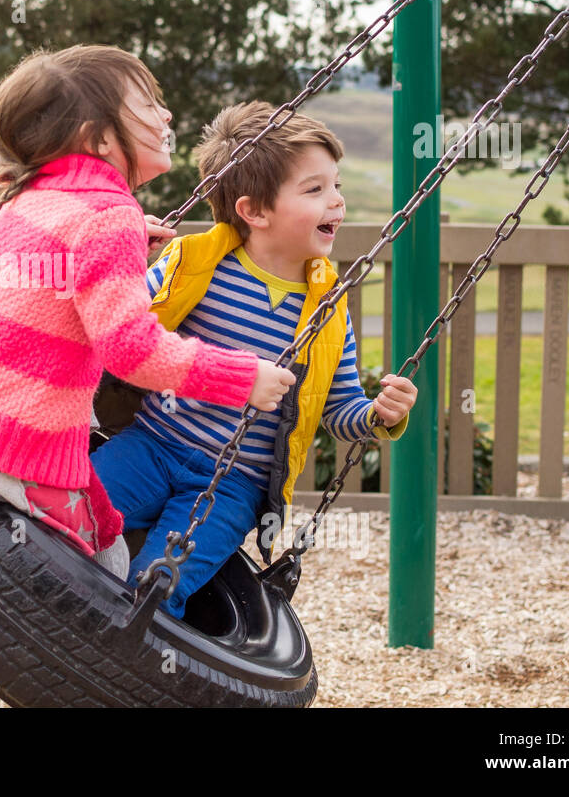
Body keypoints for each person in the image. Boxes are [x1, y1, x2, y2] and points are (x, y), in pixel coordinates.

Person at [0, 47, 295, 688]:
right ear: (97, 138)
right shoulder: (108, 218)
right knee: (102, 573)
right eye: (148, 105)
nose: (166, 114)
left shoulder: (35, 198)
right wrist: (244, 379)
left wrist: (133, 246)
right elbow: (134, 353)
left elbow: (49, 294)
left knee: (66, 542)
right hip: (12, 445)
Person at [90, 100, 419, 620]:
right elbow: (122, 323)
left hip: (229, 488)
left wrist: (381, 416)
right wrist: (127, 253)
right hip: (149, 445)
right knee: (60, 517)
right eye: (315, 190)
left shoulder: (327, 309)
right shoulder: (195, 265)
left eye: (337, 186)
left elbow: (339, 409)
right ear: (254, 211)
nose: (336, 201)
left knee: (154, 588)